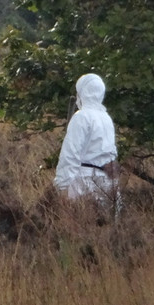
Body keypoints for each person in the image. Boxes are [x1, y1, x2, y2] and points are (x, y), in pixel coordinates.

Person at [54, 73, 119, 206]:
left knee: (82, 221)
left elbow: (70, 154)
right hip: (106, 182)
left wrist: (62, 184)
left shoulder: (81, 117)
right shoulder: (106, 117)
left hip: (83, 181)